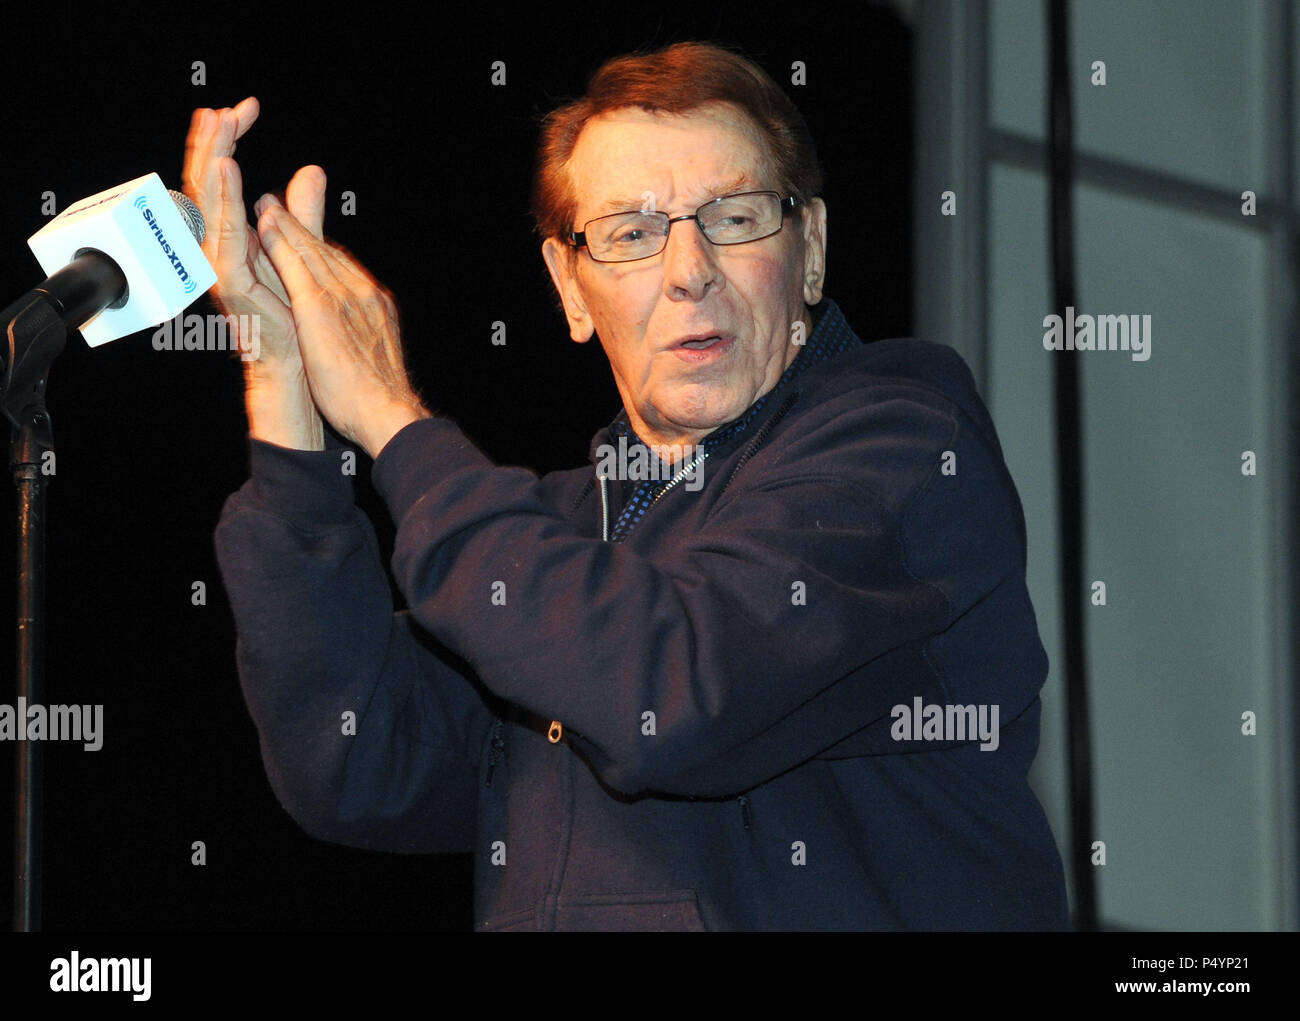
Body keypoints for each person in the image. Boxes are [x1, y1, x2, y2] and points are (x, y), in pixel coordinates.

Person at [187, 40, 1071, 930]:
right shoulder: (562, 537)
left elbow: (672, 693)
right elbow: (355, 762)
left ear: (810, 253)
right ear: (570, 288)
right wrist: (280, 383)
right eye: (633, 234)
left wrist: (391, 419)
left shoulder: (898, 435)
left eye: (734, 217)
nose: (689, 271)